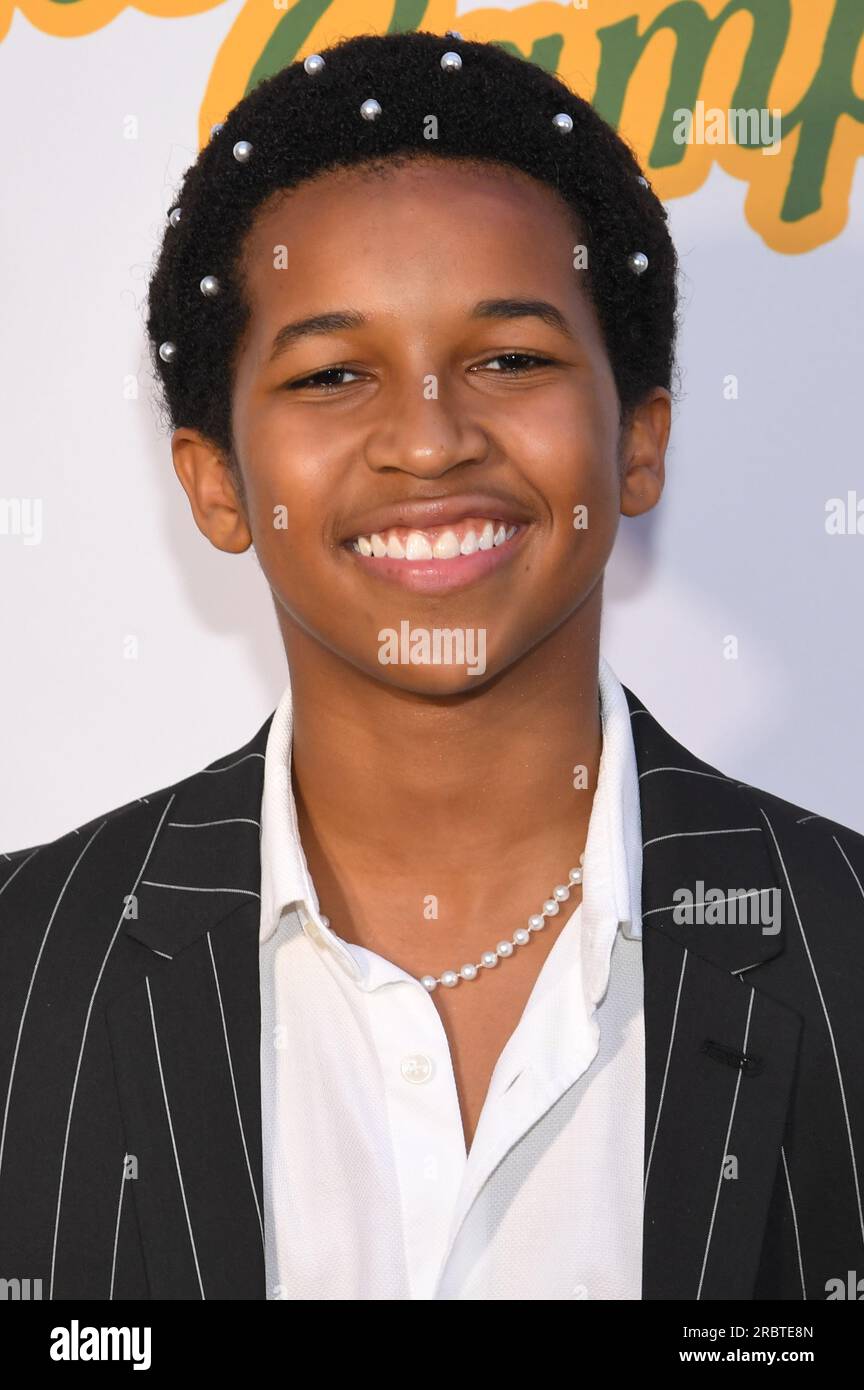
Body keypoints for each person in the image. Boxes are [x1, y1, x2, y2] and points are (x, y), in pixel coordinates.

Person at [1, 29, 861, 1303]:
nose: (430, 438)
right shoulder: (27, 967)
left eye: (510, 359)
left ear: (638, 440)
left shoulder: (839, 942)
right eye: (334, 373)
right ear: (217, 482)